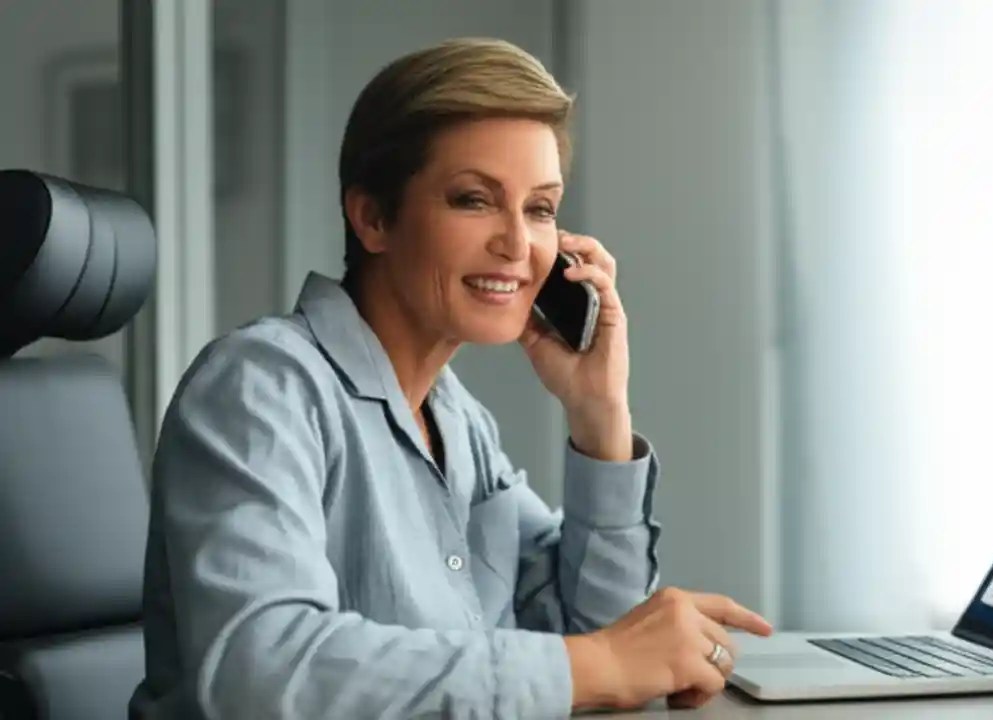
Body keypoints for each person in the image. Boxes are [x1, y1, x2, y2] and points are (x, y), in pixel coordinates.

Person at [129, 37, 772, 719]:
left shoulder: (457, 419)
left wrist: (598, 413)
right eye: (474, 199)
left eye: (541, 208)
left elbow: (594, 636)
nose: (519, 245)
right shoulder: (261, 389)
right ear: (373, 217)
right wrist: (604, 662)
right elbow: (261, 670)